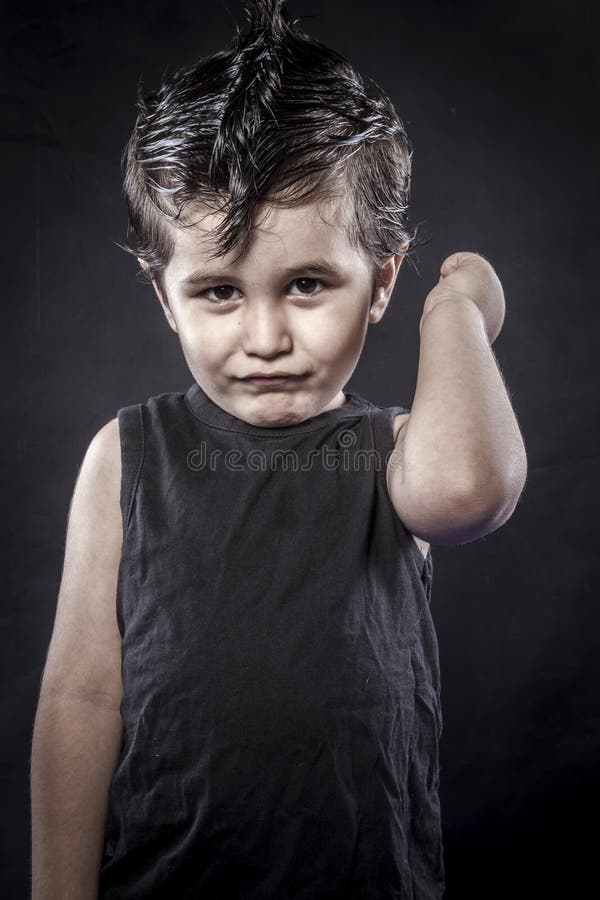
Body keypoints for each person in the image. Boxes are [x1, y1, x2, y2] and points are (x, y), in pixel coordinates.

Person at [29, 0, 528, 897]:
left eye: (306, 284)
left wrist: (455, 308)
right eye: (219, 292)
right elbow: (80, 699)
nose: (265, 339)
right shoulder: (127, 456)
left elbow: (468, 492)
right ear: (165, 296)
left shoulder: (398, 456)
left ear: (380, 281)